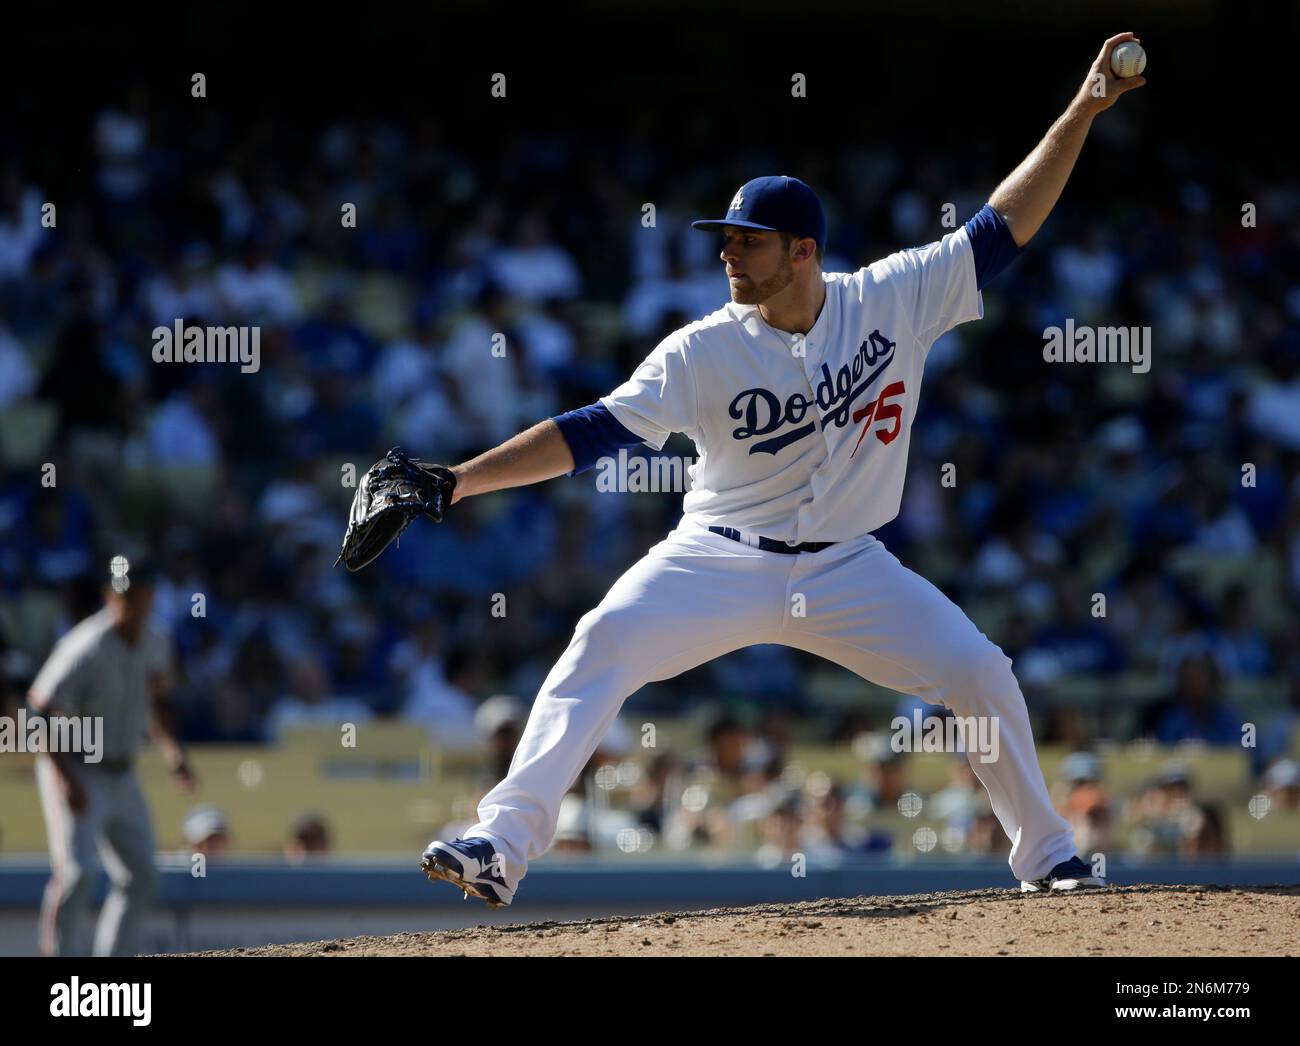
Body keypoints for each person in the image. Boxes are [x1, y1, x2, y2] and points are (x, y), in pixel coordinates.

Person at [419, 34, 1146, 907]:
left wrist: (1085, 109)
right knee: (600, 646)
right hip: (718, 557)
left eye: (749, 242)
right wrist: (457, 480)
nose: (728, 253)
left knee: (980, 671)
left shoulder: (892, 295)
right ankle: (500, 844)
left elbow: (1005, 224)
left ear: (804, 252)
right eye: (725, 238)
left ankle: (1051, 857)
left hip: (848, 565)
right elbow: (590, 433)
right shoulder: (702, 349)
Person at [27, 557, 194, 955]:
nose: (132, 604)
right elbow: (37, 713)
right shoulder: (84, 646)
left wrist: (174, 754)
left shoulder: (156, 640)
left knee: (141, 875)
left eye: (139, 595)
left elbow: (155, 704)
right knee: (76, 874)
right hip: (76, 767)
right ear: (109, 596)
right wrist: (66, 780)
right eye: (124, 596)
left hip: (122, 771)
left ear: (151, 596)